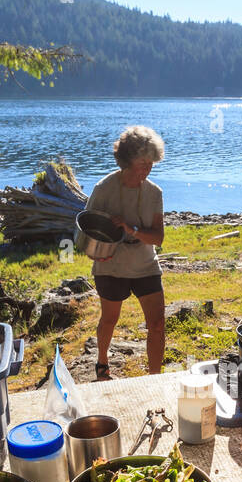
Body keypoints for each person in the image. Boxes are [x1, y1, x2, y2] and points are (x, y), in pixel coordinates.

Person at [85, 125, 167, 379]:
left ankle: (154, 376)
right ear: (127, 161)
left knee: (157, 324)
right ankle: (102, 363)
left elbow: (158, 237)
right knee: (109, 319)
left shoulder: (154, 193)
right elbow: (86, 233)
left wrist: (131, 230)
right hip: (111, 267)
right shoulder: (104, 189)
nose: (148, 168)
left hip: (145, 264)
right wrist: (97, 253)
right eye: (143, 163)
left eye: (151, 162)